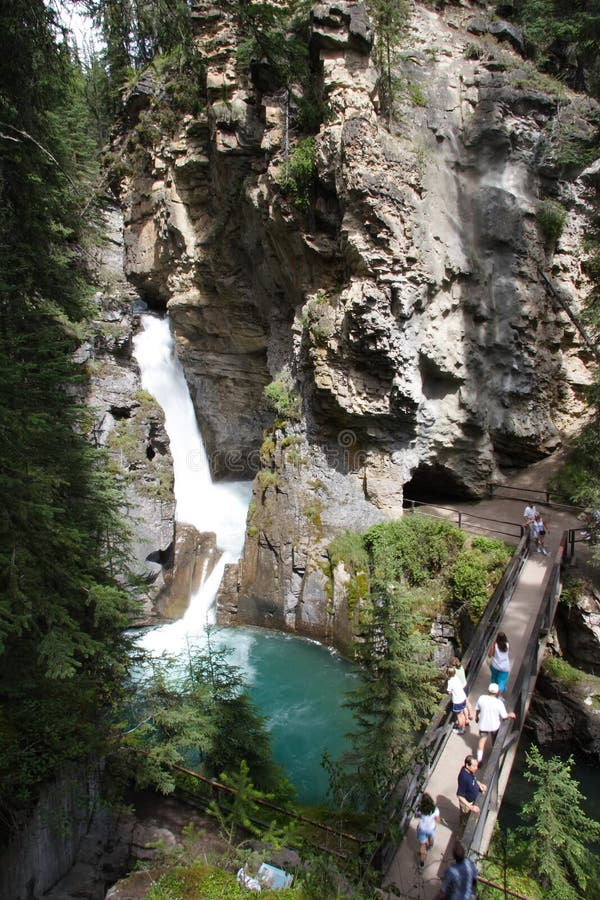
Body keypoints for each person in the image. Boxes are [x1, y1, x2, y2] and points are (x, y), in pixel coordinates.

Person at [474, 683, 516, 763]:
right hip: (494, 725)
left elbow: (477, 709)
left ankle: (479, 760)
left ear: (488, 690)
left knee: (482, 741)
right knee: (494, 739)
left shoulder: (482, 698)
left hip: (483, 724)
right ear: (497, 692)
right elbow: (504, 716)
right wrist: (510, 714)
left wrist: (476, 716)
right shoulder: (499, 703)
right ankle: (494, 755)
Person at [456, 754, 487, 833]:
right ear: (467, 765)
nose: (476, 768)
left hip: (472, 799)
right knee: (465, 822)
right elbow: (460, 795)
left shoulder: (469, 771)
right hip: (467, 804)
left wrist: (479, 784)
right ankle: (461, 835)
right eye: (474, 766)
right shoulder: (464, 777)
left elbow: (473, 779)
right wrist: (470, 807)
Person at [415, 792, 441, 869]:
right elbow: (438, 820)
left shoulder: (419, 809)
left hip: (422, 829)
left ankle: (422, 864)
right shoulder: (435, 809)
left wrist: (420, 815)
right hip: (431, 828)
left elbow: (416, 816)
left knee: (422, 846)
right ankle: (430, 846)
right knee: (431, 837)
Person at [450, 656, 473, 722]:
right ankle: (470, 714)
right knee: (467, 701)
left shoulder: (454, 672)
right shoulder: (461, 667)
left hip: (461, 689)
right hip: (466, 685)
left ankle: (466, 720)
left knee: (464, 705)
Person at [446, 666, 468, 734]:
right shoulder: (457, 677)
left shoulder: (450, 682)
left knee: (459, 715)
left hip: (457, 701)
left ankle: (461, 729)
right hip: (463, 697)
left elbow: (449, 691)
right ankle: (463, 727)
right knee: (462, 714)